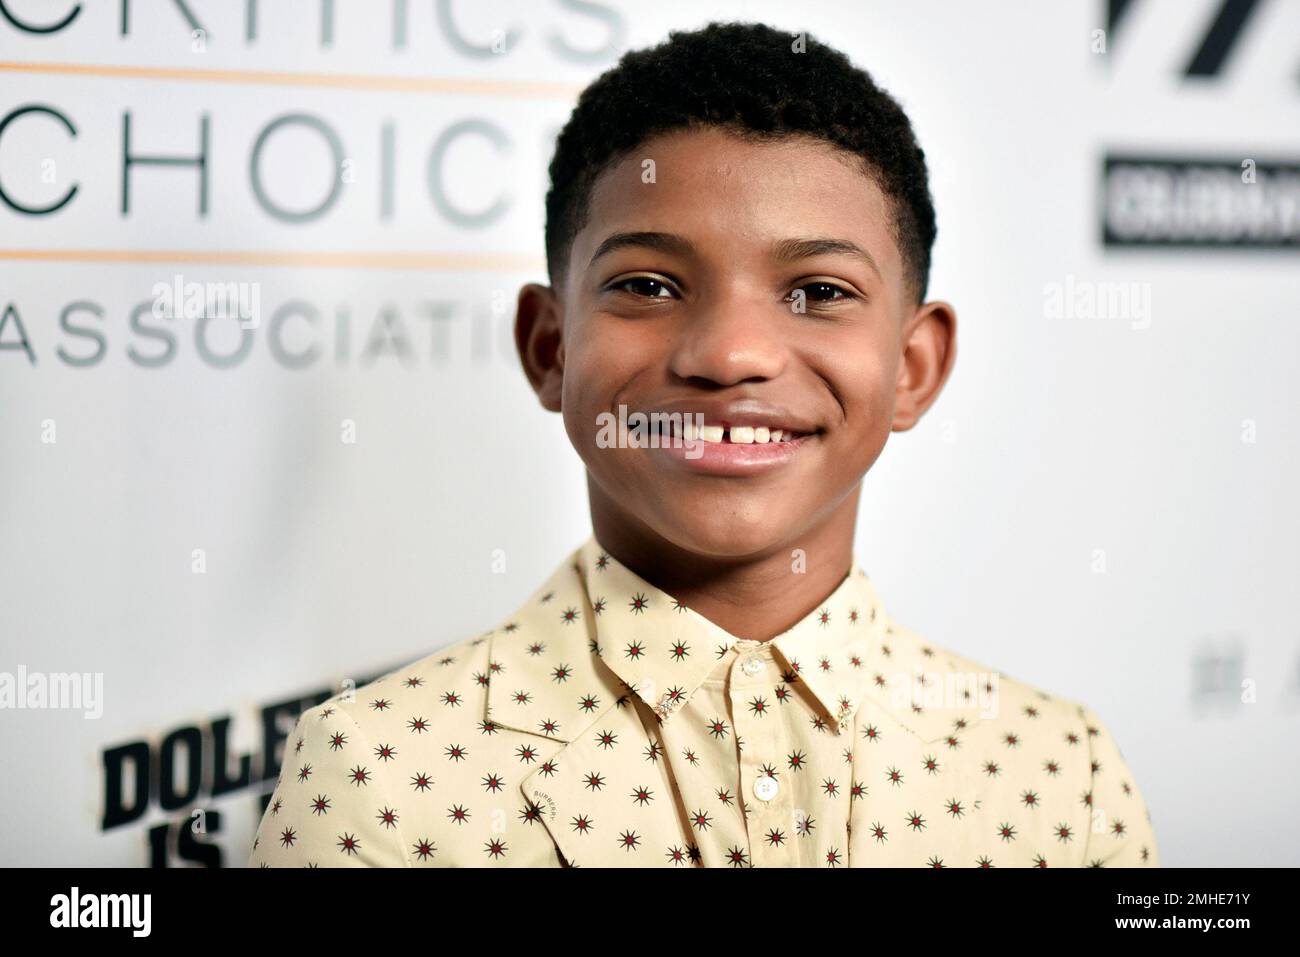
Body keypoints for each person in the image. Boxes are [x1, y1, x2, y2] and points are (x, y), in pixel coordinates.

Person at [249, 20, 1159, 868]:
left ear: (913, 368)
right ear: (550, 347)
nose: (731, 354)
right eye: (647, 283)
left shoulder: (1059, 774)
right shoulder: (375, 778)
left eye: (819, 291)